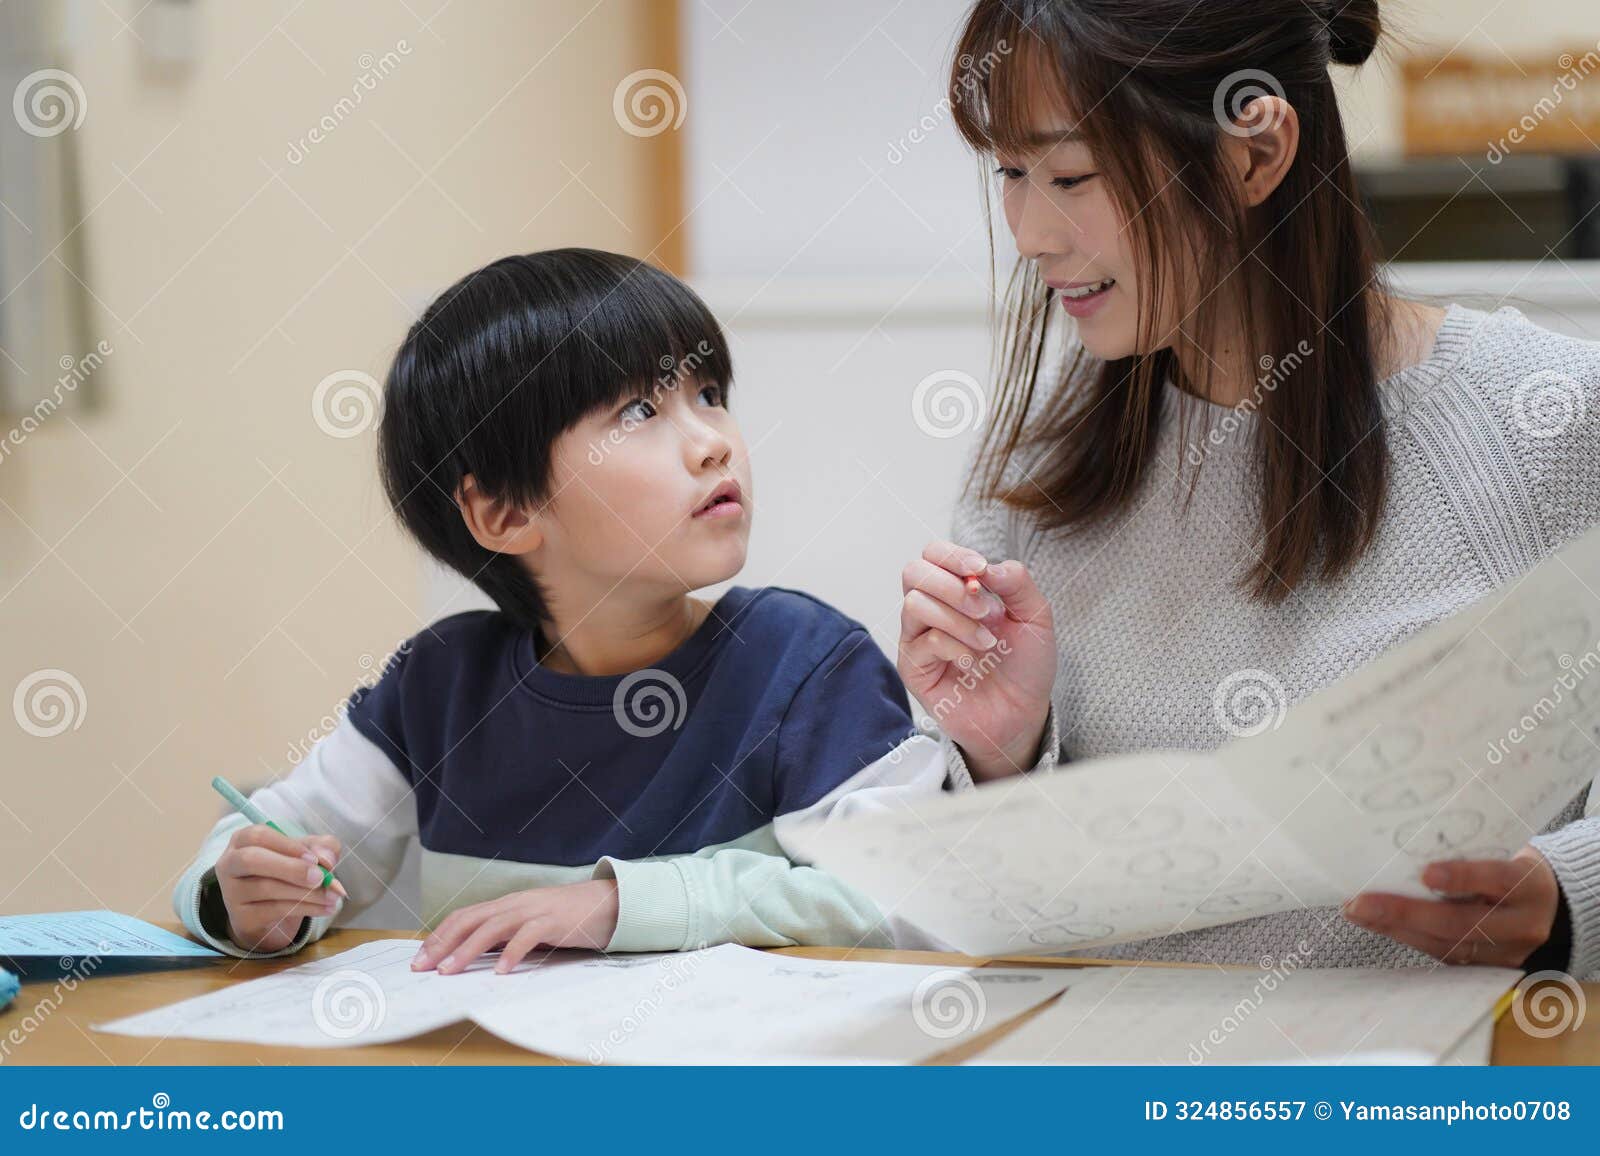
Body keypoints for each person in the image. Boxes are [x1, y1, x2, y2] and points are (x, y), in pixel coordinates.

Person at [899, 0, 1600, 976]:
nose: (1027, 232)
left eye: (1069, 174)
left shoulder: (1549, 417)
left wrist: (1567, 899)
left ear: (1255, 154)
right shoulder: (1029, 481)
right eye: (1010, 173)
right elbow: (1002, 932)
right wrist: (996, 761)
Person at [174, 248, 941, 971]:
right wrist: (249, 901)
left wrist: (618, 906)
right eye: (640, 411)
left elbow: (912, 898)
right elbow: (263, 842)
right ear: (504, 512)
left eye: (708, 395)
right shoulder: (438, 688)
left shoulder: (806, 665)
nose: (713, 442)